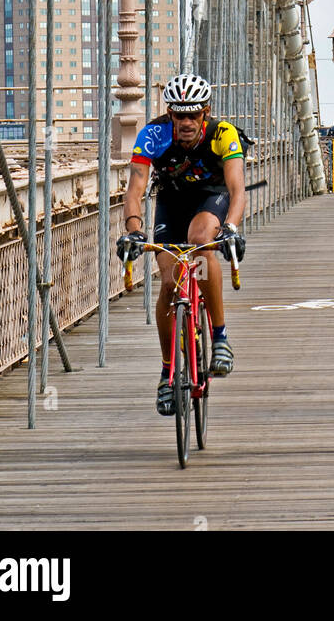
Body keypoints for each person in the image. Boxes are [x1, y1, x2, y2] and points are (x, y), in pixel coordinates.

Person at [116, 72, 247, 415]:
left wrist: (231, 226)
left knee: (201, 241)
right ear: (169, 113)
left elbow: (236, 188)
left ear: (206, 112)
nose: (186, 122)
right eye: (179, 114)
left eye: (194, 114)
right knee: (170, 281)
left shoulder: (223, 133)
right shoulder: (153, 135)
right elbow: (135, 188)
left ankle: (219, 337)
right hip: (171, 204)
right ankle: (167, 372)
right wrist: (133, 229)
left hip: (210, 198)